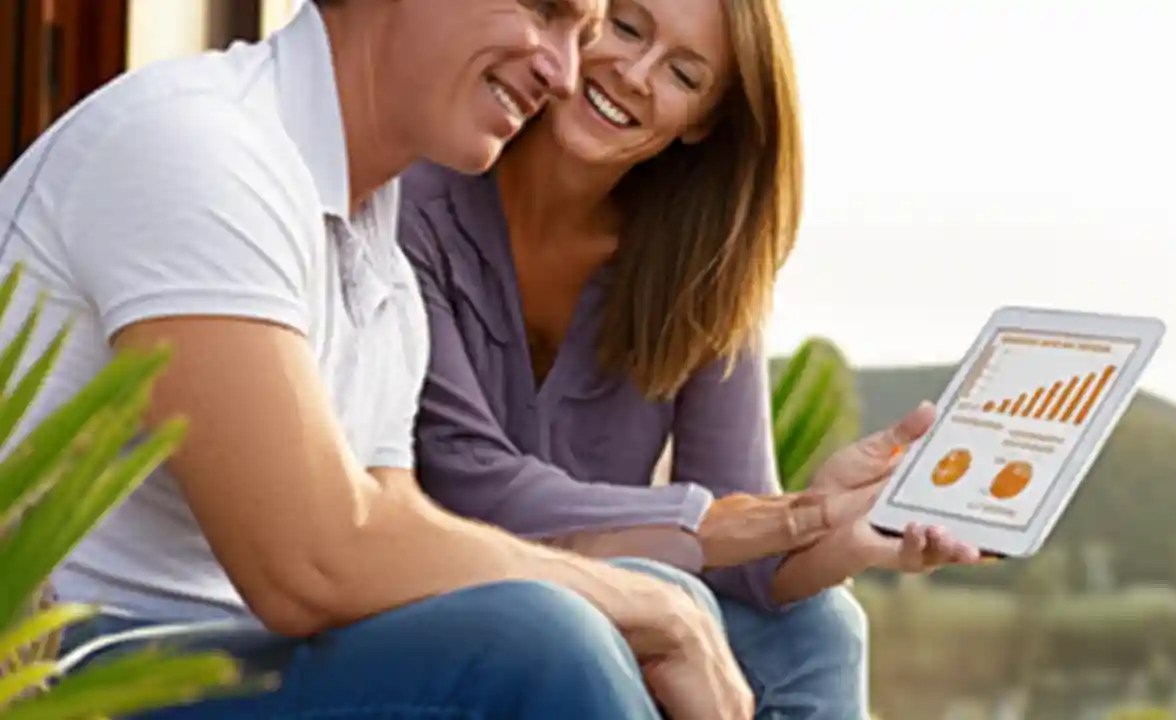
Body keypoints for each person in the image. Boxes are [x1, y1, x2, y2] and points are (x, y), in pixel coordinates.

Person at [0, 1, 757, 718]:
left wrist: (648, 595)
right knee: (542, 641)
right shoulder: (198, 148)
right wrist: (645, 608)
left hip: (226, 652)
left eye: (581, 32)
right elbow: (314, 564)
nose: (562, 73)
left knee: (641, 598)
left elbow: (387, 523)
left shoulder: (379, 263)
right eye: (541, 9)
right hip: (69, 666)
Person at [398, 0, 985, 717]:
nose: (635, 74)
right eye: (627, 28)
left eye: (683, 74)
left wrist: (848, 531)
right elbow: (469, 483)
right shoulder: (420, 200)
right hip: (435, 583)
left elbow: (741, 544)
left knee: (826, 627)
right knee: (660, 593)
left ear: (702, 121)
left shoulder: (700, 269)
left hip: (602, 595)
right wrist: (755, 520)